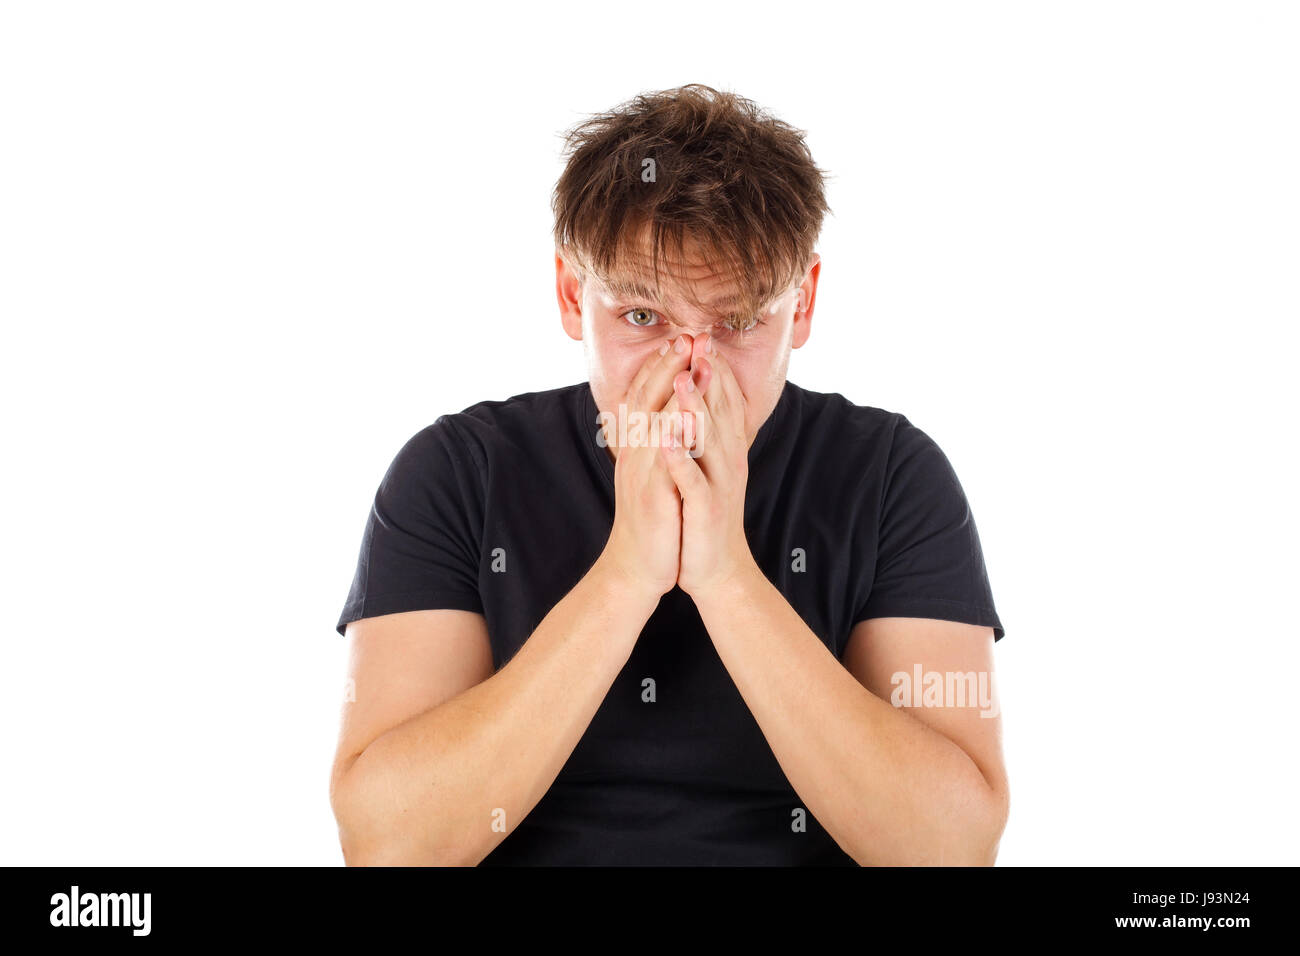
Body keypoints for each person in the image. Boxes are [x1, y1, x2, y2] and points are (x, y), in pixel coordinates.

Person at [329, 84, 1009, 866]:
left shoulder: (893, 476)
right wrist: (624, 578)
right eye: (643, 319)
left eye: (739, 322)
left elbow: (952, 850)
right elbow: (386, 845)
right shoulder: (456, 473)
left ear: (806, 304)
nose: (690, 374)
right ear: (570, 296)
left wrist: (727, 579)